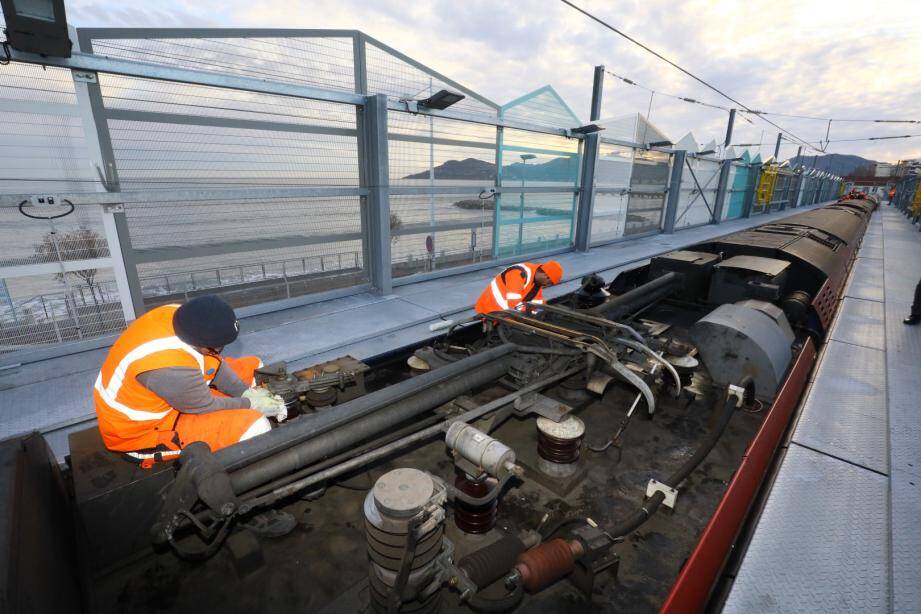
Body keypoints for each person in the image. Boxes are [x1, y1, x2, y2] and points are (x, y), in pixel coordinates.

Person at [93, 295, 287, 467]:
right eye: (218, 347)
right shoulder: (167, 367)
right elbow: (204, 405)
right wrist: (251, 404)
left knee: (254, 367)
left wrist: (243, 390)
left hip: (169, 392)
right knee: (254, 426)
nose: (221, 351)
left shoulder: (179, 315)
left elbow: (213, 361)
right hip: (142, 431)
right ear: (200, 342)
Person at [474, 260, 563, 314]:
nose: (547, 286)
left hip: (505, 312)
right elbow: (513, 303)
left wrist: (544, 311)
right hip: (490, 309)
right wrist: (530, 315)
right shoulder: (519, 273)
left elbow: (538, 301)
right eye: (549, 283)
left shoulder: (536, 281)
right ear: (546, 276)